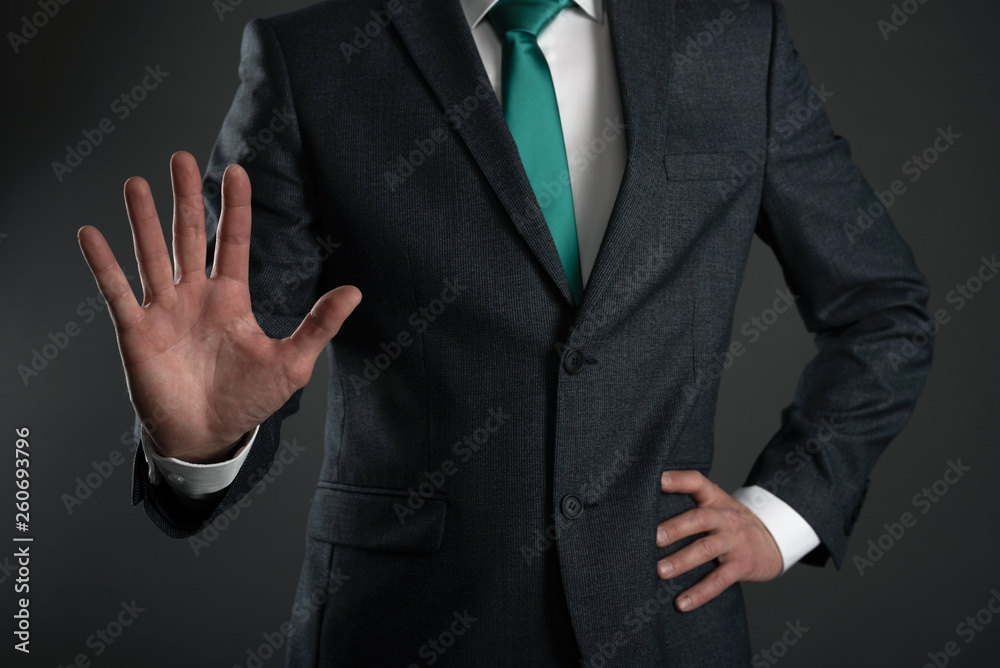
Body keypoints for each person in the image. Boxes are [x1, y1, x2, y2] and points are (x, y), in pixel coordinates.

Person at [76, 0, 933, 665]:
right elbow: (243, 356)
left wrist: (781, 515)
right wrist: (199, 445)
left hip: (666, 630)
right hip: (400, 630)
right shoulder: (312, 60)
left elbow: (883, 312)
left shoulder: (735, 40)